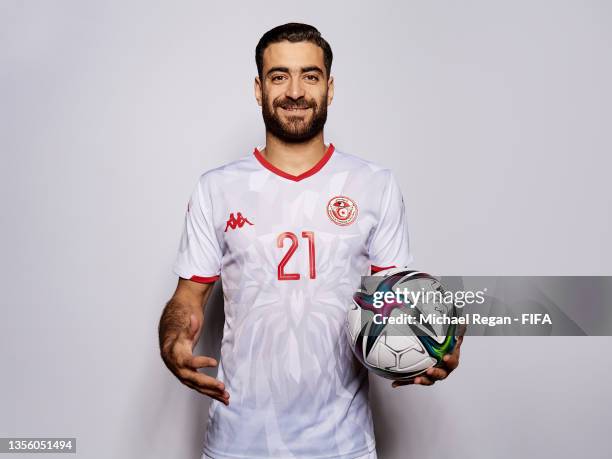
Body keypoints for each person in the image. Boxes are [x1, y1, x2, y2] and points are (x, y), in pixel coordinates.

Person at [158, 22, 462, 459]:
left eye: (310, 76)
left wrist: (445, 334)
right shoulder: (216, 189)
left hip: (343, 445)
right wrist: (174, 342)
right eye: (279, 76)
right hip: (238, 443)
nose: (295, 91)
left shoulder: (373, 185)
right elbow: (188, 298)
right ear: (258, 89)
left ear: (330, 88)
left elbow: (403, 300)